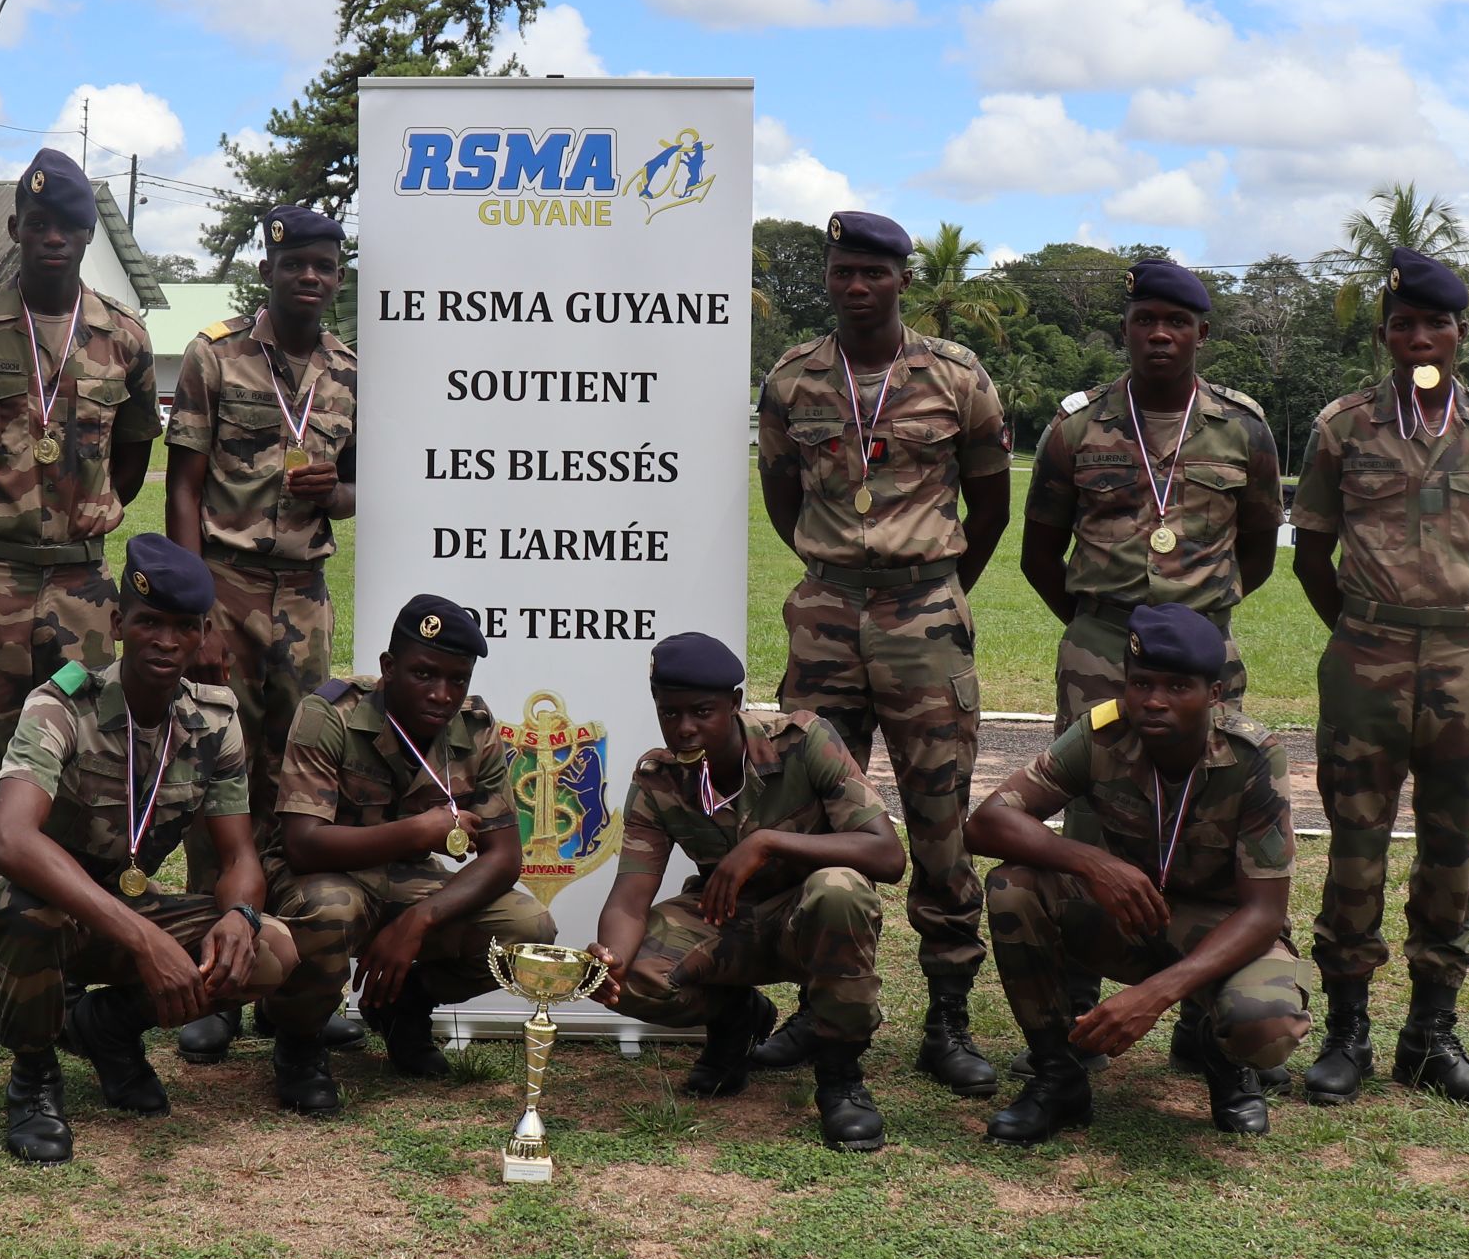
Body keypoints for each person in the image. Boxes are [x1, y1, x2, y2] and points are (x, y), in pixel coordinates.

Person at [753, 210, 1011, 1098]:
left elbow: (989, 502)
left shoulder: (957, 376)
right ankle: (819, 1007)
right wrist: (842, 573)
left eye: (872, 271)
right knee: (819, 815)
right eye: (841, 272)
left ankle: (948, 1019)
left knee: (938, 816)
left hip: (925, 615)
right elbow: (781, 496)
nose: (855, 286)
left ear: (902, 278)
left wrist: (929, 583)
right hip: (824, 614)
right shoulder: (793, 377)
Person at [0, 148, 161, 1066]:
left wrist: (88, 524)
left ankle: (69, 967)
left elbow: (133, 454)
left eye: (69, 225)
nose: (51, 238)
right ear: (15, 231)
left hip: (84, 592)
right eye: (36, 224)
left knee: (81, 774)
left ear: (86, 235)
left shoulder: (123, 339)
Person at [0, 536, 316, 1163]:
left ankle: (108, 1029)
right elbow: (9, 839)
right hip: (35, 900)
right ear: (120, 624)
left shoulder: (214, 720)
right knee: (26, 913)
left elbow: (238, 856)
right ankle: (34, 1077)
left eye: (183, 627)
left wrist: (240, 915)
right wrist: (145, 939)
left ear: (203, 634)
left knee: (271, 948)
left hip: (123, 909)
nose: (164, 640)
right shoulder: (60, 706)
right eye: (149, 622)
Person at [1015, 257, 1285, 1073]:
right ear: (1125, 330)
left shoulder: (1243, 428)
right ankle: (1080, 1026)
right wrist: (1106, 634)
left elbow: (1261, 546)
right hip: (1100, 644)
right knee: (1094, 823)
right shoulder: (1078, 428)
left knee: (1202, 821)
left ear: (1203, 333)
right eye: (1144, 321)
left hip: (1203, 651)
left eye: (1176, 321)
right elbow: (1039, 552)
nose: (1159, 334)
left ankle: (1205, 1018)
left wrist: (1190, 637)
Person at [1290, 247, 1469, 1108]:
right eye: (1404, 323)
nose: (1421, 335)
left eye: (1436, 322)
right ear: (1386, 335)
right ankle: (1346, 1034)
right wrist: (1368, 630)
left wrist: (1464, 624)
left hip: (1468, 661)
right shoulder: (1344, 425)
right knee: (1355, 846)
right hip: (1365, 656)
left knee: (1453, 847)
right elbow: (1313, 552)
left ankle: (1431, 1037)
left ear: (1460, 332)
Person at [968, 604, 1310, 1144]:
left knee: (1267, 1023)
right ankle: (1058, 1077)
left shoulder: (1254, 756)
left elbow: (1265, 913)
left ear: (1215, 694)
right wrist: (1095, 863)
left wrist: (1153, 997)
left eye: (1178, 686)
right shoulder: (1103, 732)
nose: (1154, 700)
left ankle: (1223, 1058)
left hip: (1221, 928)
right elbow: (987, 823)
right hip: (1124, 913)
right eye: (1141, 683)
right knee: (1013, 887)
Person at [163, 203, 359, 1063]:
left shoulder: (353, 371)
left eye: (325, 266)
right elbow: (182, 486)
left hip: (305, 600)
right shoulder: (216, 354)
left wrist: (334, 493)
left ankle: (300, 976)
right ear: (270, 269)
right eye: (296, 265)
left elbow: (361, 488)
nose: (309, 278)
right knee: (214, 776)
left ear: (337, 275)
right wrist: (194, 607)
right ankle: (215, 984)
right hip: (229, 591)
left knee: (301, 785)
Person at [588, 632, 904, 1151]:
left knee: (840, 889)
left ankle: (841, 1078)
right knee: (638, 972)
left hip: (809, 916)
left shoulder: (804, 742)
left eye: (702, 711)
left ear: (735, 704)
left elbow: (887, 855)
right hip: (729, 919)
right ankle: (737, 1021)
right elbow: (629, 896)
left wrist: (766, 841)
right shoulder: (659, 777)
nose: (684, 728)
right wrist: (610, 959)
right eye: (670, 713)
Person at [266, 594, 555, 1115]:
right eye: (424, 674)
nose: (442, 694)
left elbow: (503, 857)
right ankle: (299, 1043)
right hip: (324, 873)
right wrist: (422, 831)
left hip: (407, 883)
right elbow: (303, 844)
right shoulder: (329, 715)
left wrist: (420, 920)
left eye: (457, 679)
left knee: (527, 929)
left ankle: (404, 1005)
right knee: (330, 909)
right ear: (389, 668)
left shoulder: (475, 730)